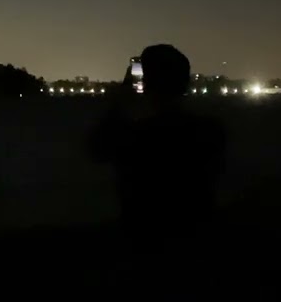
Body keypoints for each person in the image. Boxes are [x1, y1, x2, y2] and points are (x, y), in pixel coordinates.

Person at [89, 44, 225, 239]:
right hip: (195, 236)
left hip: (144, 237)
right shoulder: (209, 130)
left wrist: (119, 104)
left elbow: (97, 150)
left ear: (147, 83)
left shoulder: (137, 136)